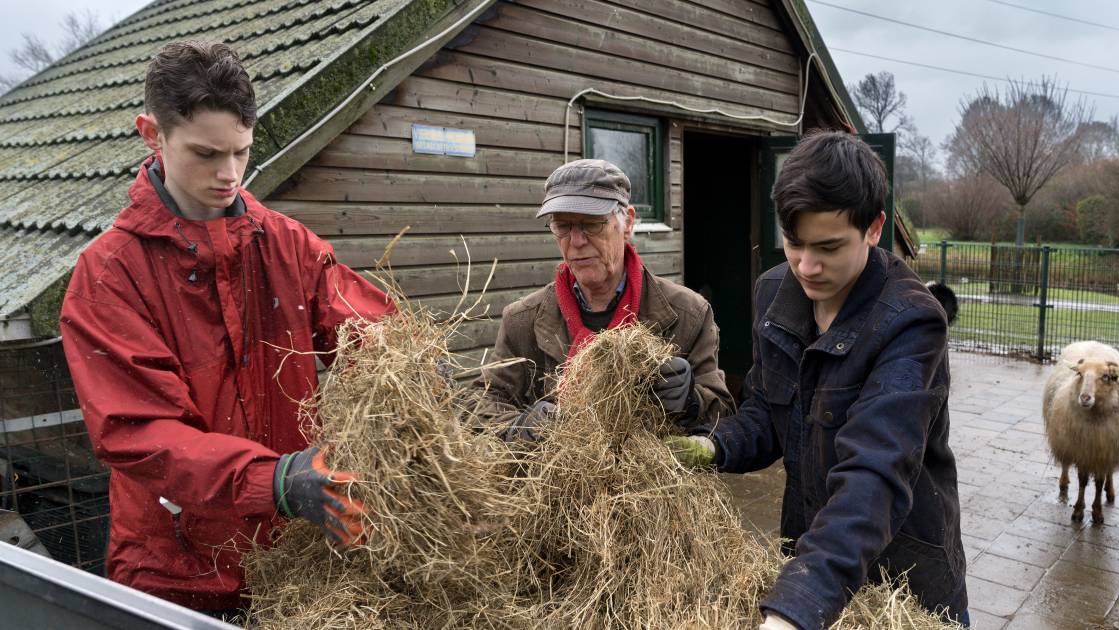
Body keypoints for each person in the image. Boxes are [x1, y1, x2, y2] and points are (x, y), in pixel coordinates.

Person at [59, 41, 393, 614]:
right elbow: (141, 434)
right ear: (151, 133)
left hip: (292, 559)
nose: (229, 174)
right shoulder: (110, 274)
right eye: (206, 154)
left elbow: (362, 324)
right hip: (175, 569)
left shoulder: (285, 243)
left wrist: (402, 363)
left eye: (241, 151)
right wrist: (277, 480)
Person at [666, 132, 968, 629]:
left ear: (874, 229)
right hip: (809, 558)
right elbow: (767, 413)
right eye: (793, 243)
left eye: (828, 247)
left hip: (902, 587)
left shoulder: (911, 322)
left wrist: (793, 610)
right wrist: (711, 447)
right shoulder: (775, 293)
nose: (806, 266)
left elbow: (875, 471)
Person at [473, 159, 734, 439]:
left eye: (591, 224)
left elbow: (725, 418)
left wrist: (691, 401)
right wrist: (520, 428)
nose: (576, 241)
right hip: (554, 481)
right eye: (563, 226)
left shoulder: (687, 314)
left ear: (628, 223)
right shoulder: (522, 320)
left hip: (645, 481)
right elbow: (479, 406)